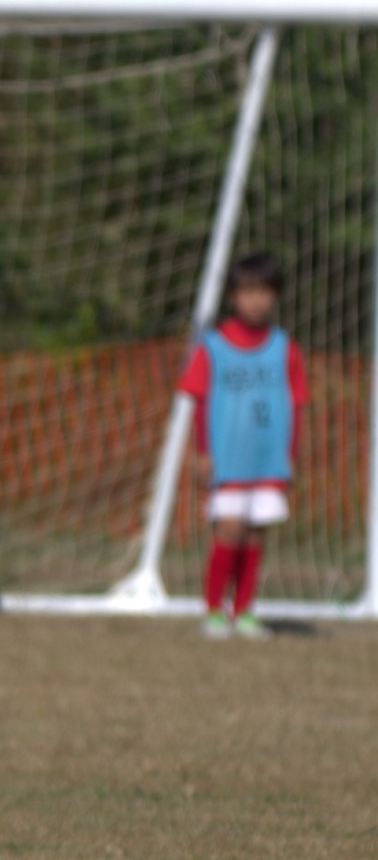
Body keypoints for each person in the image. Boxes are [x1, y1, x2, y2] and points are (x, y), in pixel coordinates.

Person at [180, 252, 308, 641]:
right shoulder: (213, 347)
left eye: (265, 292)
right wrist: (204, 452)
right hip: (228, 460)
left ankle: (245, 611)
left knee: (256, 535)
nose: (256, 300)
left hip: (268, 461)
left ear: (276, 296)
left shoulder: (286, 349)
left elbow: (297, 406)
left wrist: (291, 455)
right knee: (230, 532)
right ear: (233, 297)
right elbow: (199, 403)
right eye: (248, 291)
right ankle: (214, 611)